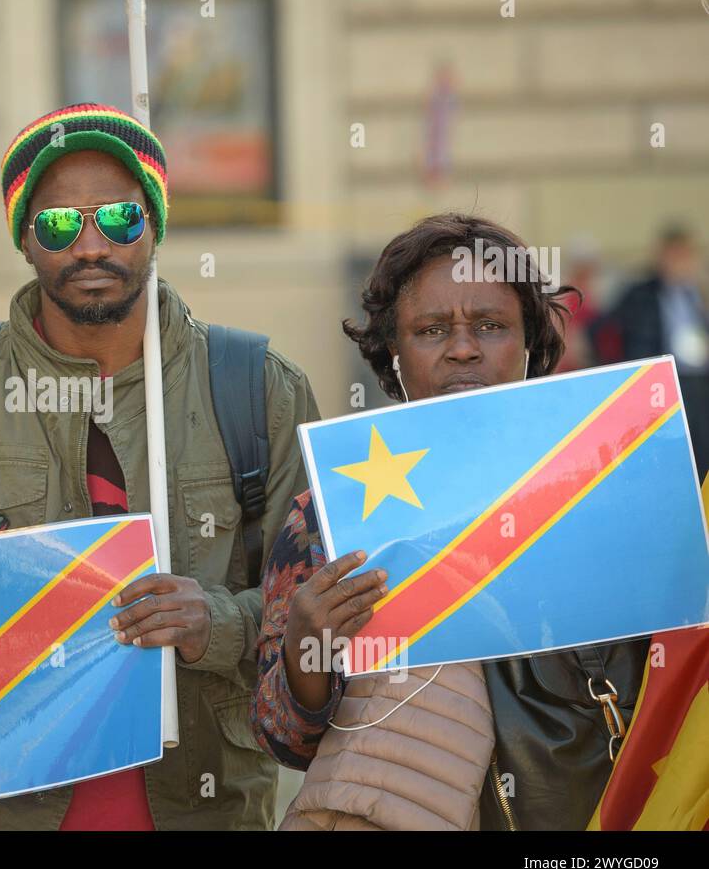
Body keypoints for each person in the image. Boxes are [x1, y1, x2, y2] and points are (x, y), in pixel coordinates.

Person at [0, 103, 319, 830]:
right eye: (57, 224)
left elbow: (312, 613)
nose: (90, 245)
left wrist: (218, 621)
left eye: (119, 218)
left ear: (155, 227)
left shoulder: (259, 389)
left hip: (203, 805)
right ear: (24, 238)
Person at [251, 213, 647, 830]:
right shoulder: (328, 513)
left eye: (490, 325)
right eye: (432, 329)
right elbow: (284, 740)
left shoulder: (605, 486)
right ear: (393, 354)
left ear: (531, 345)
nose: (463, 347)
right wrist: (308, 653)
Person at [597, 225, 709, 474]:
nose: (681, 262)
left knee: (701, 446)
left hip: (699, 381)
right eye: (674, 255)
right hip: (663, 379)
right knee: (673, 450)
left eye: (685, 255)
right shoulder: (641, 293)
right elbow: (604, 329)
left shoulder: (696, 293)